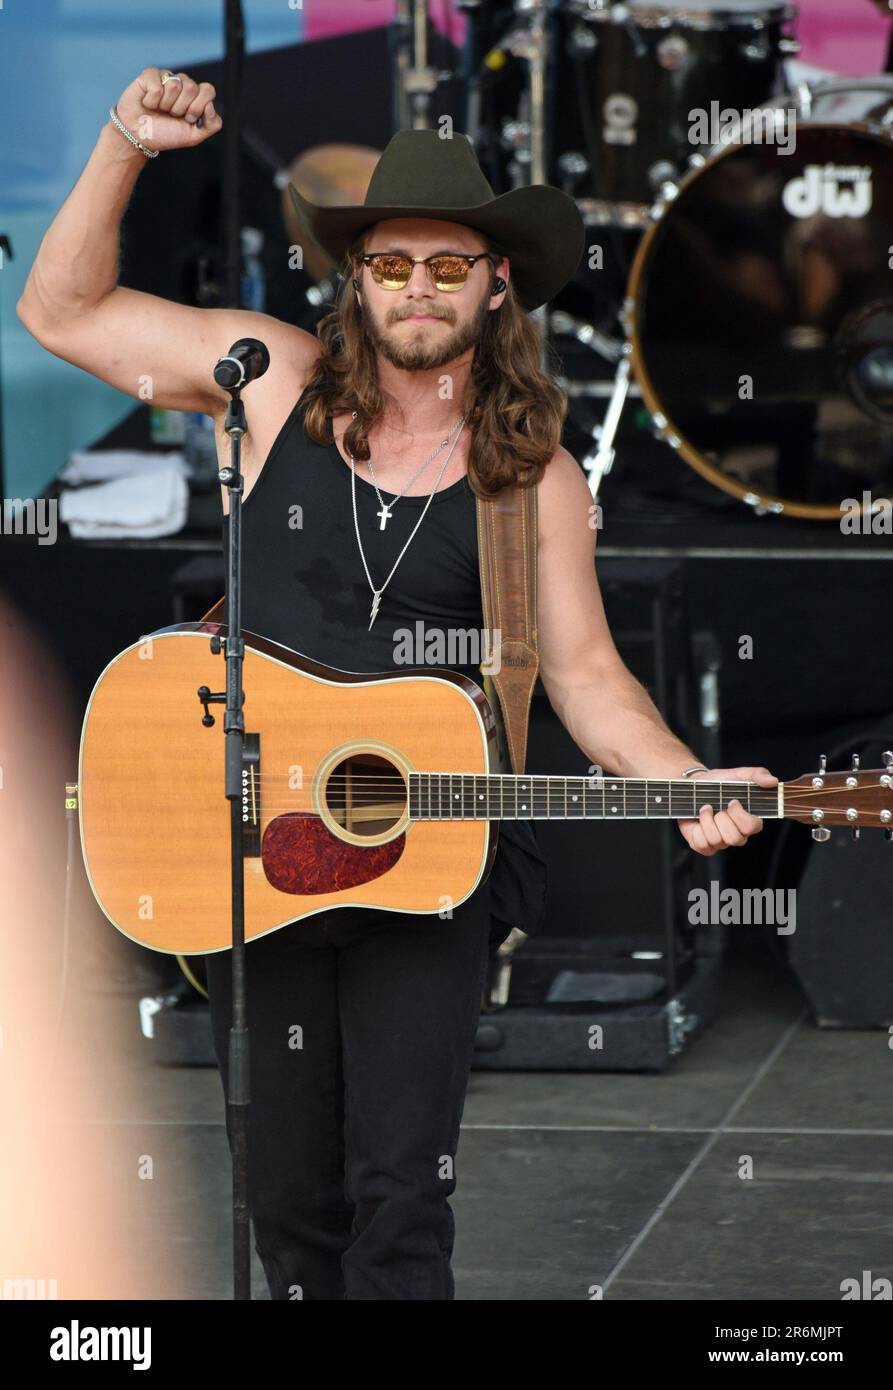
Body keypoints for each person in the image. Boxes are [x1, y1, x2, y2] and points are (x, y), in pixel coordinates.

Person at [17, 68, 777, 1301]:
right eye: (390, 264)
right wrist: (120, 144)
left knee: (398, 1195)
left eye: (445, 265)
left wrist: (681, 779)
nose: (415, 289)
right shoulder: (267, 383)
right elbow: (62, 311)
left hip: (423, 854)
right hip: (253, 836)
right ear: (355, 276)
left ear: (495, 283)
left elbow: (585, 676)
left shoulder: (530, 483)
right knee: (285, 1201)